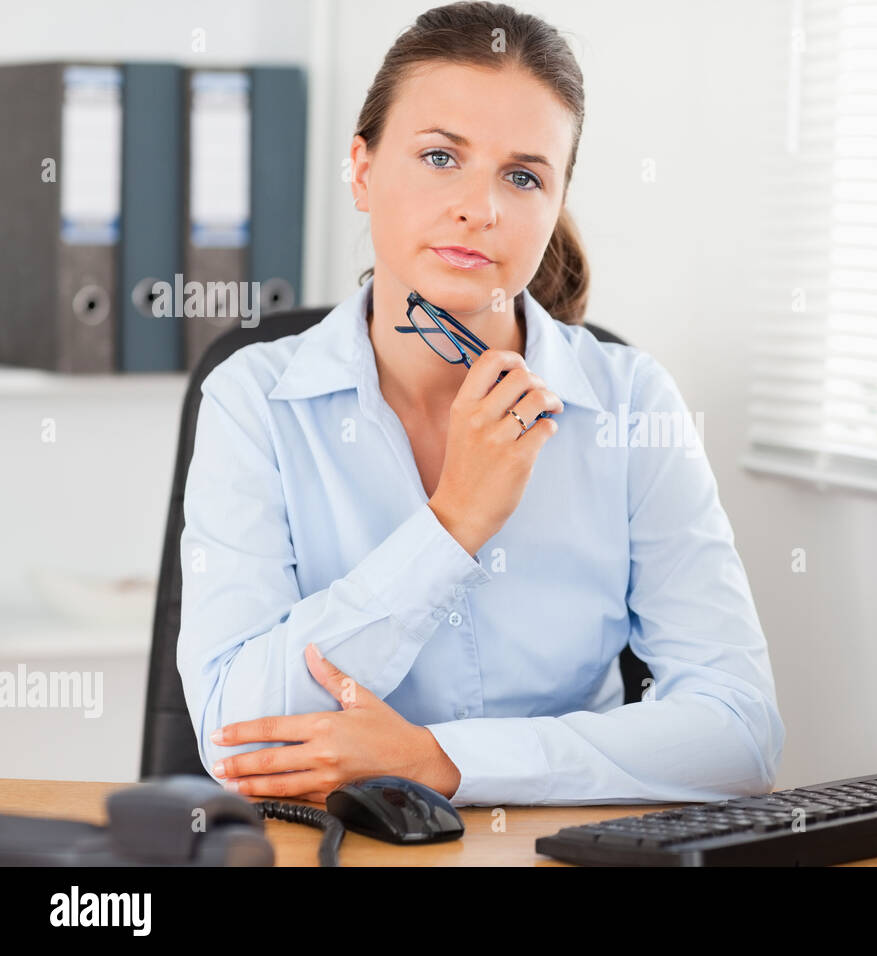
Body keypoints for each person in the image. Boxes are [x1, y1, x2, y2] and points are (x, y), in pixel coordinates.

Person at [177, 1, 783, 807]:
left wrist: (443, 762)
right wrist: (454, 521)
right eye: (439, 157)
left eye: (523, 176)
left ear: (555, 200)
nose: (481, 207)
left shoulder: (632, 403)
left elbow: (739, 733)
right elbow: (237, 734)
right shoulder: (255, 400)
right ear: (361, 170)